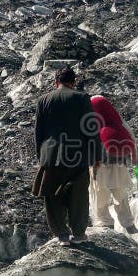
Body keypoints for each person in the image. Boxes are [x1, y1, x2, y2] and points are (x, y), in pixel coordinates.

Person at [31, 66, 102, 246]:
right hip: (77, 155)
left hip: (51, 155)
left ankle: (62, 235)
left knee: (53, 196)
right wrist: (97, 155)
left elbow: (38, 132)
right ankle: (78, 234)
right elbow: (91, 129)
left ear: (56, 82)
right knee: (78, 195)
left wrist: (41, 155)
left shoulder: (43, 100)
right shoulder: (81, 98)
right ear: (73, 82)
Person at [89, 95, 138, 234]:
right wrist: (134, 156)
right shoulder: (117, 119)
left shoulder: (91, 121)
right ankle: (128, 223)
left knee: (99, 195)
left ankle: (106, 223)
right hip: (119, 164)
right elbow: (131, 136)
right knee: (120, 193)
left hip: (99, 165)